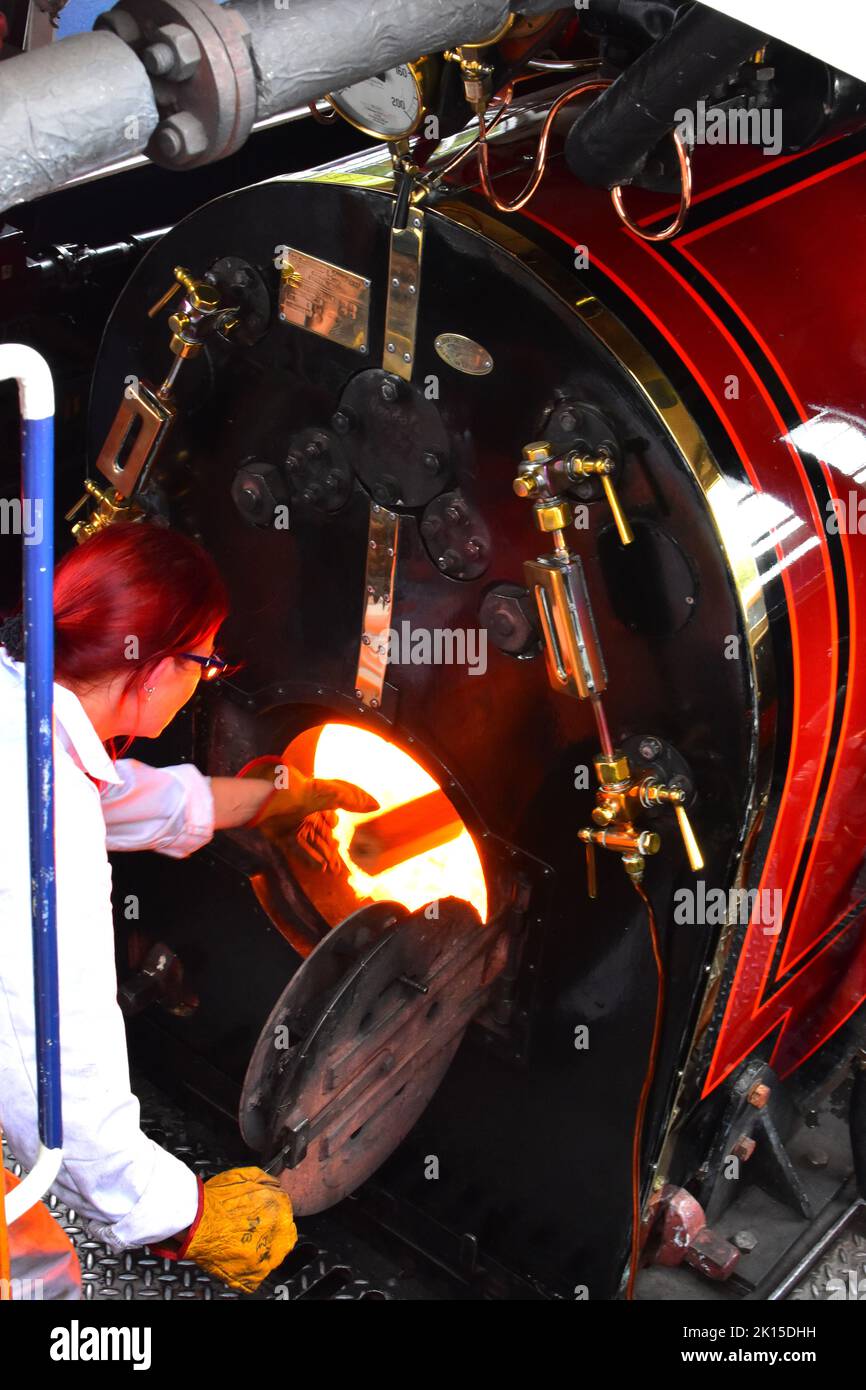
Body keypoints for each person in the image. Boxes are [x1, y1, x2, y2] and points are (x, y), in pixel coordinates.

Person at [0, 522, 378, 1295]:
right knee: (41, 1276)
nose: (206, 681)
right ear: (155, 665)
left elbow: (130, 797)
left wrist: (279, 798)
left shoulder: (21, 709)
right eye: (205, 663)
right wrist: (185, 1213)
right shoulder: (44, 812)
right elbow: (57, 1090)